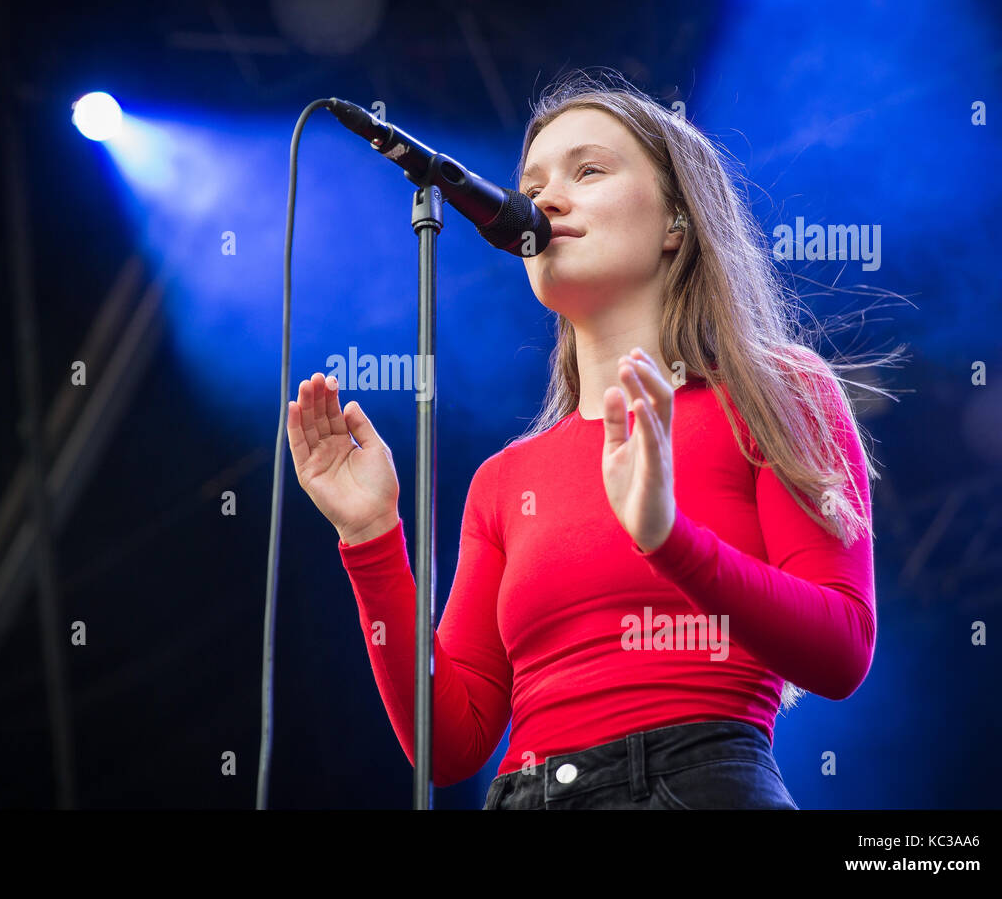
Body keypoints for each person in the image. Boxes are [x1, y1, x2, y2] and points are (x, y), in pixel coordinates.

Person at [285, 69, 899, 809]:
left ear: (678, 221)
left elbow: (841, 650)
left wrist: (669, 538)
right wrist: (372, 536)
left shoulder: (776, 392)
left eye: (589, 170)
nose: (544, 200)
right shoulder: (506, 479)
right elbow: (451, 746)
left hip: (697, 782)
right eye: (534, 181)